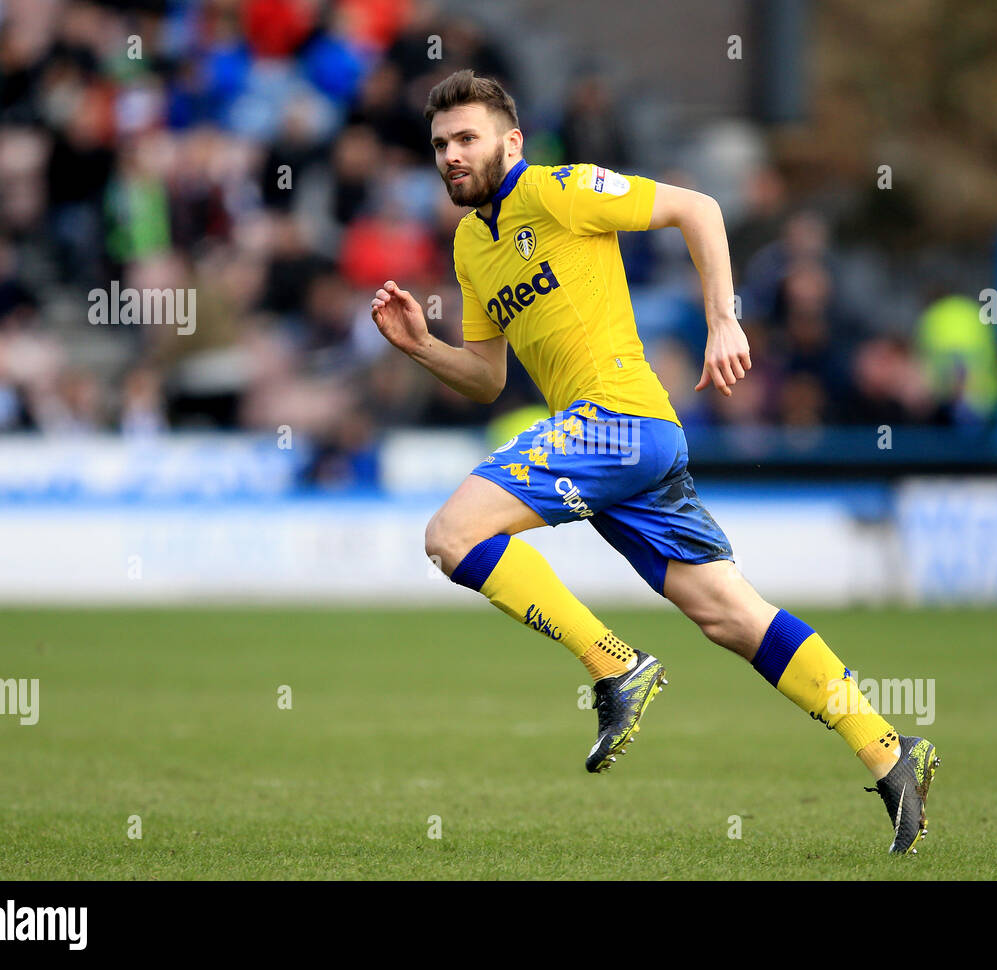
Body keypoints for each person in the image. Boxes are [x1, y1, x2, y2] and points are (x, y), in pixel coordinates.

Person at [370, 70, 939, 854]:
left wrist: (723, 322)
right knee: (730, 616)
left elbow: (695, 208)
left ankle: (616, 666)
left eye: (466, 139)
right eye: (440, 145)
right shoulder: (473, 245)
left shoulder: (562, 190)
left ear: (511, 142)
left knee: (451, 535)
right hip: (618, 444)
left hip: (621, 420)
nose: (451, 156)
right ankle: (888, 748)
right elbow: (488, 376)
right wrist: (421, 347)